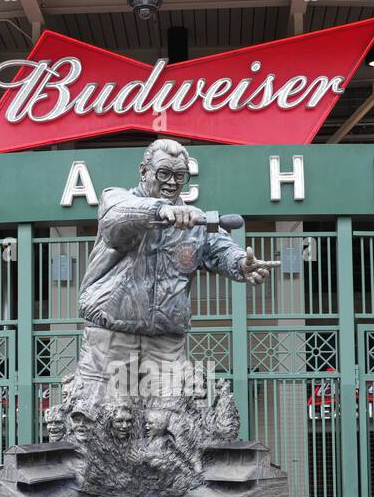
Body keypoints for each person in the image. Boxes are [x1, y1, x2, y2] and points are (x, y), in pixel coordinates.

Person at [75, 138, 276, 404]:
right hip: (112, 337)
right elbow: (117, 218)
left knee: (170, 418)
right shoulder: (116, 200)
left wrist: (241, 264)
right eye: (164, 173)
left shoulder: (194, 220)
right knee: (101, 416)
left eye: (180, 175)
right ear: (144, 171)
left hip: (165, 342)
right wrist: (162, 211)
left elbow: (221, 249)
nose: (172, 182)